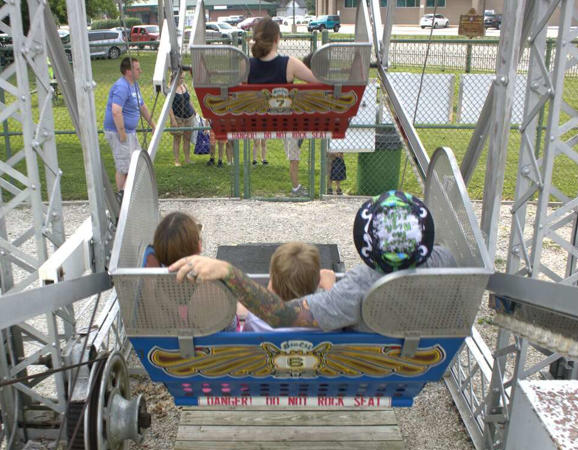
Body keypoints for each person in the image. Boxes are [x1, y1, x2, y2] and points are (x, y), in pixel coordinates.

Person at [169, 191, 456, 332]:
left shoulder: (355, 290)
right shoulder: (446, 263)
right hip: (408, 363)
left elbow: (279, 315)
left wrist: (230, 273)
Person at [246, 17, 319, 197]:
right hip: (285, 124)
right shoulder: (290, 64)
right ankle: (296, 186)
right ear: (277, 38)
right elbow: (319, 82)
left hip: (255, 125)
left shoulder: (245, 65)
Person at [244, 242, 335, 332]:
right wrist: (330, 288)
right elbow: (336, 311)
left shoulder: (256, 319)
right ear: (317, 282)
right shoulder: (328, 319)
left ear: (273, 284)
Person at [103, 56, 156, 193]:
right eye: (137, 69)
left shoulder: (134, 86)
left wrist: (153, 124)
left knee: (134, 164)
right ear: (128, 71)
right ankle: (122, 197)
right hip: (119, 132)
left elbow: (142, 106)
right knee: (124, 168)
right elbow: (116, 111)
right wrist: (122, 133)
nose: (141, 71)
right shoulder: (122, 87)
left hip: (129, 132)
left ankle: (128, 195)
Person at [169, 71, 195, 167]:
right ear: (174, 78)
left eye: (183, 78)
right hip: (178, 117)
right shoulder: (171, 89)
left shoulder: (185, 86)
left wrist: (194, 110)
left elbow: (189, 100)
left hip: (188, 116)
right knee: (177, 139)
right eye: (180, 78)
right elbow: (169, 107)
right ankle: (176, 160)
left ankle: (187, 159)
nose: (182, 80)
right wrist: (173, 119)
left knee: (187, 139)